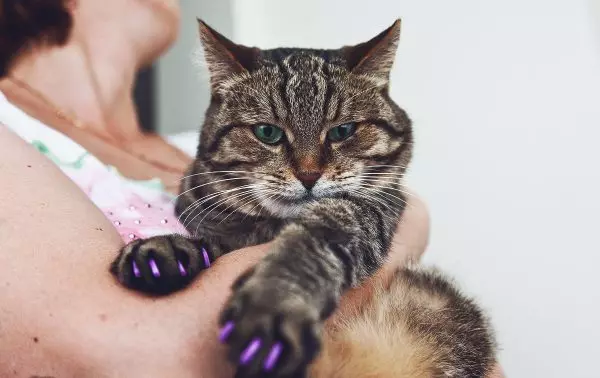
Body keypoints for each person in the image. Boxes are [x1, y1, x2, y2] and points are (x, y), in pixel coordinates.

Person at [0, 1, 502, 377]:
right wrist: (404, 224)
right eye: (268, 134)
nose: (309, 171)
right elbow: (139, 355)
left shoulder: (196, 156)